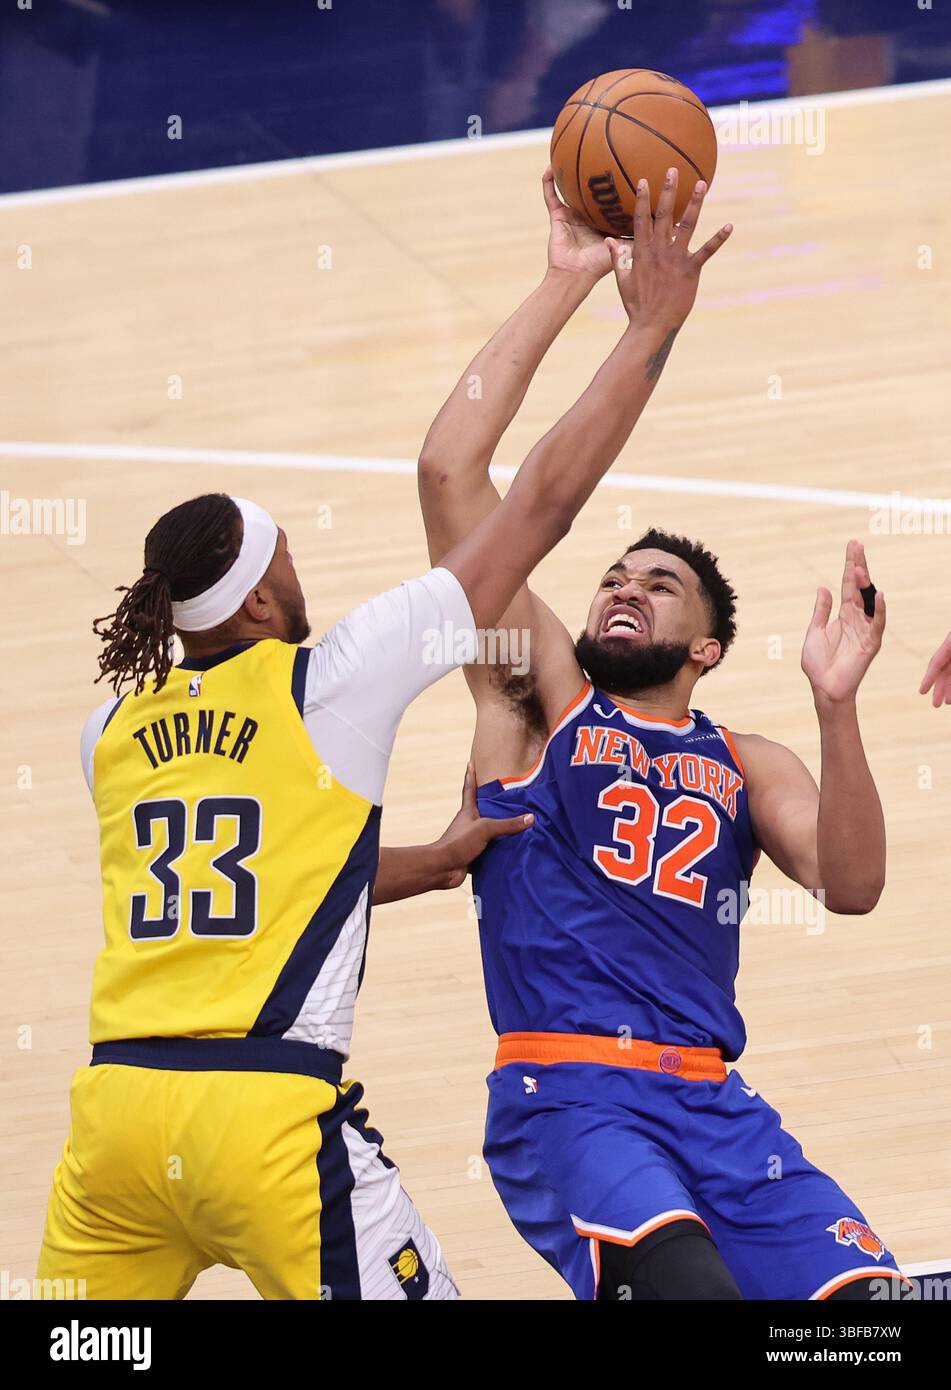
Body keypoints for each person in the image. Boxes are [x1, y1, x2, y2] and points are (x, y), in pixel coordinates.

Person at [36, 168, 730, 1302]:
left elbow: (249, 883)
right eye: (287, 561)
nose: (303, 572)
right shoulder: (332, 678)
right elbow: (531, 505)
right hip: (262, 1120)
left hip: (113, 1126)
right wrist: (646, 323)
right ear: (260, 605)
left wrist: (430, 859)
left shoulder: (108, 730)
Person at [417, 168, 905, 1300]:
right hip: (575, 1096)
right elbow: (453, 473)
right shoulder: (535, 697)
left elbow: (855, 884)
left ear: (707, 647)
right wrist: (565, 285)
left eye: (659, 583)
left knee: (876, 1319)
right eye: (611, 577)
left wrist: (838, 708)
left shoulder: (747, 758)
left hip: (717, 1105)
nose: (622, 589)